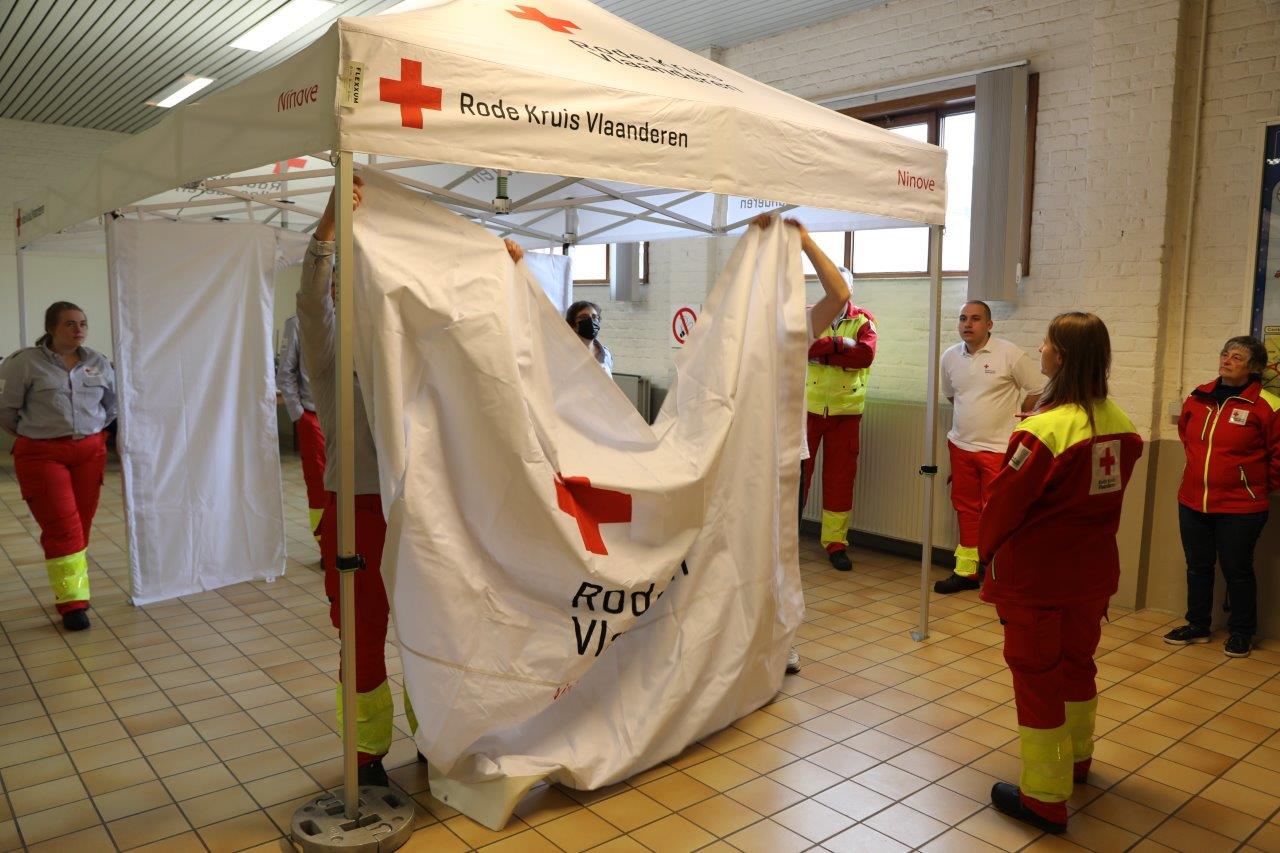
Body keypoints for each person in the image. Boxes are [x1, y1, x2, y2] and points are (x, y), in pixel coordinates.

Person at [302, 175, 525, 786]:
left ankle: (436, 734)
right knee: (363, 635)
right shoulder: (331, 353)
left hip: (424, 511)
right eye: (352, 283)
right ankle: (366, 753)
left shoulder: (417, 350)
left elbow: (476, 334)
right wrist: (327, 231)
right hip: (357, 510)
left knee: (436, 628)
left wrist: (501, 277)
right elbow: (308, 302)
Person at [977, 311, 1142, 834]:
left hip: (1038, 580)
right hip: (1091, 575)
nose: (1040, 350)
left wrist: (983, 554)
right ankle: (1077, 762)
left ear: (1061, 356)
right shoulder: (1121, 422)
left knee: (1038, 680)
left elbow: (1003, 506)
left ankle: (1045, 798)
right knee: (1077, 666)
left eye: (1046, 343)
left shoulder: (1043, 430)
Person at [754, 213, 851, 673]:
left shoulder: (799, 330)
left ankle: (781, 638)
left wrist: (808, 243)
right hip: (746, 459)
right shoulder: (738, 334)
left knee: (781, 553)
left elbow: (840, 294)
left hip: (788, 458)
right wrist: (754, 246)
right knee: (745, 552)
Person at [0, 302, 116, 632]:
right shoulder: (24, 363)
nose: (78, 329)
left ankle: (73, 586)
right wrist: (36, 435)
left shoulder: (98, 362)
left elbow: (112, 406)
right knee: (63, 527)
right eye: (69, 324)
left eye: (83, 323)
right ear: (51, 328)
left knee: (80, 523)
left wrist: (91, 432)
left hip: (89, 452)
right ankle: (73, 604)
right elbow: (6, 411)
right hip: (42, 454)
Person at [1163, 336, 1280, 658]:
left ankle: (1242, 631)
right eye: (1225, 354)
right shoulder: (1199, 397)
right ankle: (1198, 625)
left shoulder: (1267, 406)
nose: (1227, 360)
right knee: (1197, 566)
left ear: (1253, 367)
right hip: (1193, 501)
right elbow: (1187, 437)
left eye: (1237, 357)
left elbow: (1277, 456)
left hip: (1241, 506)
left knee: (1237, 570)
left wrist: (1253, 486)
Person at [934, 301, 1043, 594]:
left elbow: (1038, 389)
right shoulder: (949, 357)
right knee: (966, 509)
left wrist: (1020, 416)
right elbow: (951, 396)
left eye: (975, 319)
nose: (967, 324)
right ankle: (966, 572)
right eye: (963, 319)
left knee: (999, 512)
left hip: (998, 449)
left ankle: (999, 576)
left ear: (989, 325)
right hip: (961, 445)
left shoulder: (1009, 354)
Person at [799, 270, 877, 572]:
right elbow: (800, 350)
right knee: (797, 478)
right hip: (807, 410)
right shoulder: (807, 317)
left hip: (846, 414)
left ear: (850, 290)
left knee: (839, 481)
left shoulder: (863, 321)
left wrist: (828, 349)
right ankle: (787, 537)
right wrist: (842, 345)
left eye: (842, 288)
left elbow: (864, 357)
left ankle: (835, 543)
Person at [276, 313, 327, 541]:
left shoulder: (348, 318)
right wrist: (299, 415)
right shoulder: (297, 323)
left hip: (344, 417)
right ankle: (325, 541)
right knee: (319, 485)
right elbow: (285, 373)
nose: (333, 290)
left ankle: (346, 541)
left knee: (347, 484)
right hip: (312, 415)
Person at [566, 301, 614, 376]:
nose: (591, 321)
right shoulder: (565, 353)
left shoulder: (606, 353)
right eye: (584, 317)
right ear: (573, 325)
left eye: (594, 317)